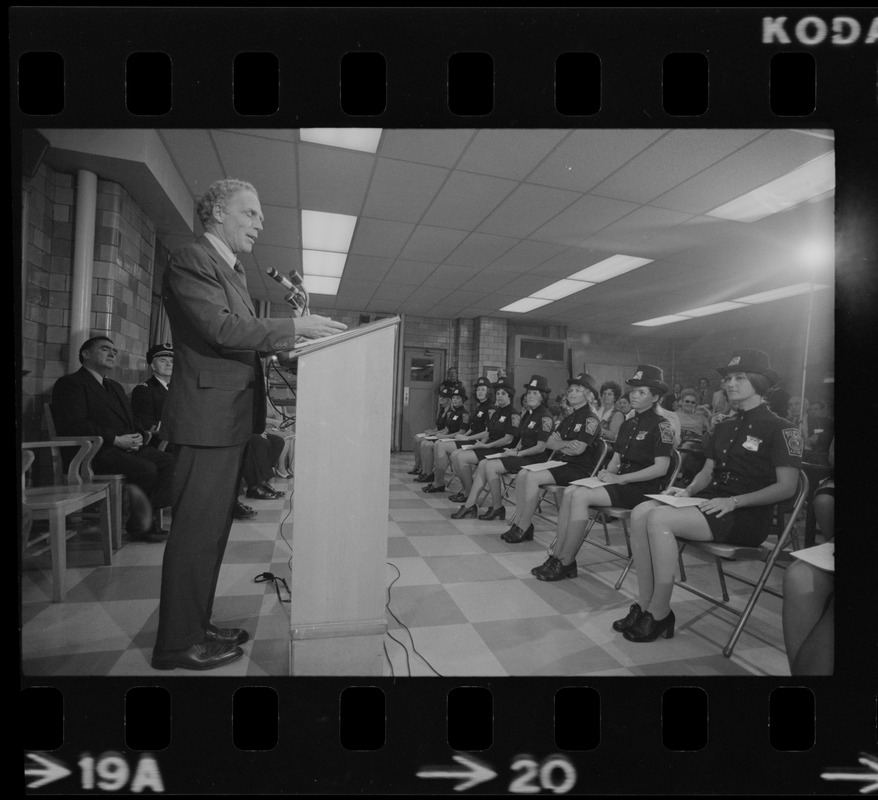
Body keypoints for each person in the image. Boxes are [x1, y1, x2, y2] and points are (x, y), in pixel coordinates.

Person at [152, 178, 346, 671]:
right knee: (196, 534)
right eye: (251, 213)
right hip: (206, 419)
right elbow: (220, 328)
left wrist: (286, 342)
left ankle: (196, 626)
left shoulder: (231, 271)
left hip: (228, 419)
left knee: (213, 533)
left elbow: (238, 338)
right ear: (217, 212)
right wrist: (292, 328)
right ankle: (176, 644)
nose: (260, 224)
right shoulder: (192, 258)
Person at [616, 350, 801, 643]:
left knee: (660, 519)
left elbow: (787, 488)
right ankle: (644, 604)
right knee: (640, 512)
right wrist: (688, 490)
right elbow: (708, 470)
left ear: (759, 382)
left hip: (746, 515)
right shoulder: (723, 426)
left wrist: (734, 501)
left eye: (740, 377)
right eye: (728, 378)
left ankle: (660, 613)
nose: (730, 383)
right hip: (713, 502)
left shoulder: (782, 428)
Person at [531, 365, 675, 581]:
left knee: (580, 495)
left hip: (643, 488)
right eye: (633, 390)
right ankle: (557, 555)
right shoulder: (628, 424)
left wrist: (619, 478)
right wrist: (606, 473)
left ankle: (566, 561)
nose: (634, 395)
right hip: (621, 482)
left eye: (641, 392)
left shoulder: (662, 425)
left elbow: (661, 468)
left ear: (655, 397)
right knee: (570, 491)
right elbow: (616, 459)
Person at [52, 335, 175, 542]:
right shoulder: (71, 383)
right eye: (105, 349)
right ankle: (141, 524)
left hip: (123, 448)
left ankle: (143, 517)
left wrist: (139, 434)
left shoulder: (114, 386)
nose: (112, 353)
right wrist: (116, 439)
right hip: (94, 451)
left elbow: (131, 419)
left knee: (170, 462)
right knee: (146, 469)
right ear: (86, 354)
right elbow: (75, 424)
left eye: (114, 351)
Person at [501, 373, 603, 544]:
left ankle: (524, 526)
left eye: (578, 390)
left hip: (580, 468)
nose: (571, 393)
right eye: (570, 390)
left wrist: (560, 443)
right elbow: (549, 443)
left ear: (589, 395)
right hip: (563, 462)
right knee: (523, 474)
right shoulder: (570, 417)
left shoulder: (590, 418)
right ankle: (519, 521)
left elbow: (579, 450)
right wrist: (566, 444)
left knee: (532, 476)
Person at [451, 374, 554, 521]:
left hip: (534, 459)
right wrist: (516, 451)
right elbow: (521, 439)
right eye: (529, 392)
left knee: (491, 466)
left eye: (535, 393)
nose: (530, 396)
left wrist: (517, 453)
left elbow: (540, 448)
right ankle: (470, 504)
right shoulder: (529, 414)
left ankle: (497, 507)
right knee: (483, 463)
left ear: (543, 396)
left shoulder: (544, 417)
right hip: (521, 454)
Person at [447, 378, 520, 503]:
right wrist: (480, 444)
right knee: (455, 454)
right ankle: (465, 489)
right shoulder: (497, 412)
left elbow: (508, 440)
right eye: (498, 393)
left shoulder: (513, 414)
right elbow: (488, 432)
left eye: (503, 394)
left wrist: (486, 446)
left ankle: (468, 493)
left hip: (501, 450)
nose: (500, 396)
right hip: (490, 446)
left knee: (461, 457)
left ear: (510, 396)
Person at [423, 377, 492, 495]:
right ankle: (441, 481)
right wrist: (464, 436)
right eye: (478, 389)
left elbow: (488, 432)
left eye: (483, 389)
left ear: (489, 391)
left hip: (477, 442)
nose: (479, 392)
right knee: (439, 445)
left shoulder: (490, 408)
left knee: (442, 446)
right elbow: (472, 428)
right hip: (470, 438)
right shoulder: (479, 407)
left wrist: (466, 437)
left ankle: (443, 483)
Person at [416, 387, 470, 486]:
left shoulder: (464, 414)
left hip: (455, 440)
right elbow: (447, 428)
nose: (455, 400)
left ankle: (436, 479)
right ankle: (426, 472)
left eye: (458, 398)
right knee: (424, 442)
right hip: (448, 438)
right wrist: (435, 433)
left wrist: (445, 437)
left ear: (463, 400)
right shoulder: (453, 412)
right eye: (453, 398)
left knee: (431, 445)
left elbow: (461, 432)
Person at [131, 343, 174, 451]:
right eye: (163, 361)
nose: (169, 364)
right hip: (160, 441)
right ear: (153, 366)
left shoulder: (179, 390)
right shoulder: (144, 390)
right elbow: (146, 423)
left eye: (172, 361)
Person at [409, 385, 452, 477]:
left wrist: (433, 433)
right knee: (417, 437)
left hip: (443, 436)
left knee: (421, 440)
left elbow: (447, 429)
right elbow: (439, 426)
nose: (440, 399)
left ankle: (423, 469)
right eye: (440, 396)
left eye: (443, 397)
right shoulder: (442, 409)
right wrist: (432, 431)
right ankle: (418, 466)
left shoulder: (450, 411)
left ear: (449, 399)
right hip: (437, 433)